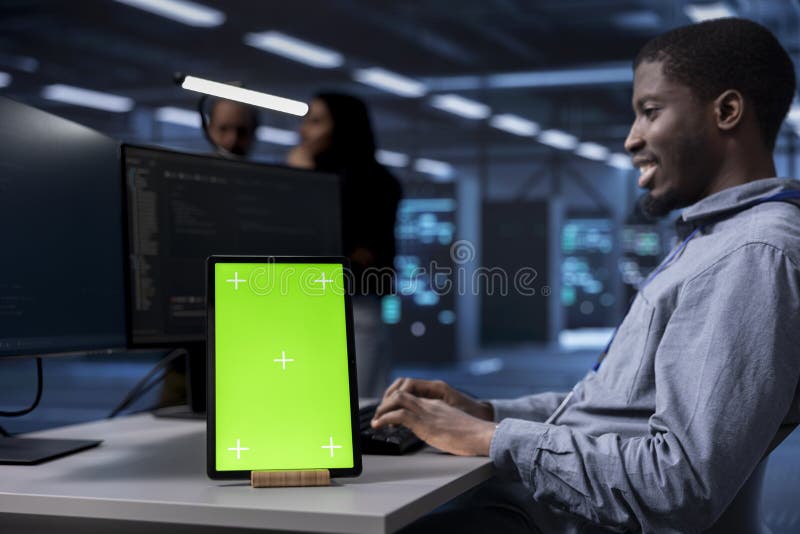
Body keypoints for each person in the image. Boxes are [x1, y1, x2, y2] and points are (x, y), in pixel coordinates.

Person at [372, 18, 800, 533]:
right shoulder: (717, 241)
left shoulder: (750, 254)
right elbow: (614, 411)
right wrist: (486, 412)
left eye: (650, 112)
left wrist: (490, 439)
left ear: (727, 112)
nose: (630, 139)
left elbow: (680, 485)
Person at [287, 92, 403, 397]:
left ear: (342, 126)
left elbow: (333, 243)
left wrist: (303, 180)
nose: (303, 130)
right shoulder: (362, 179)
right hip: (323, 308)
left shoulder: (368, 183)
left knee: (350, 407)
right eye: (305, 120)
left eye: (316, 121)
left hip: (351, 308)